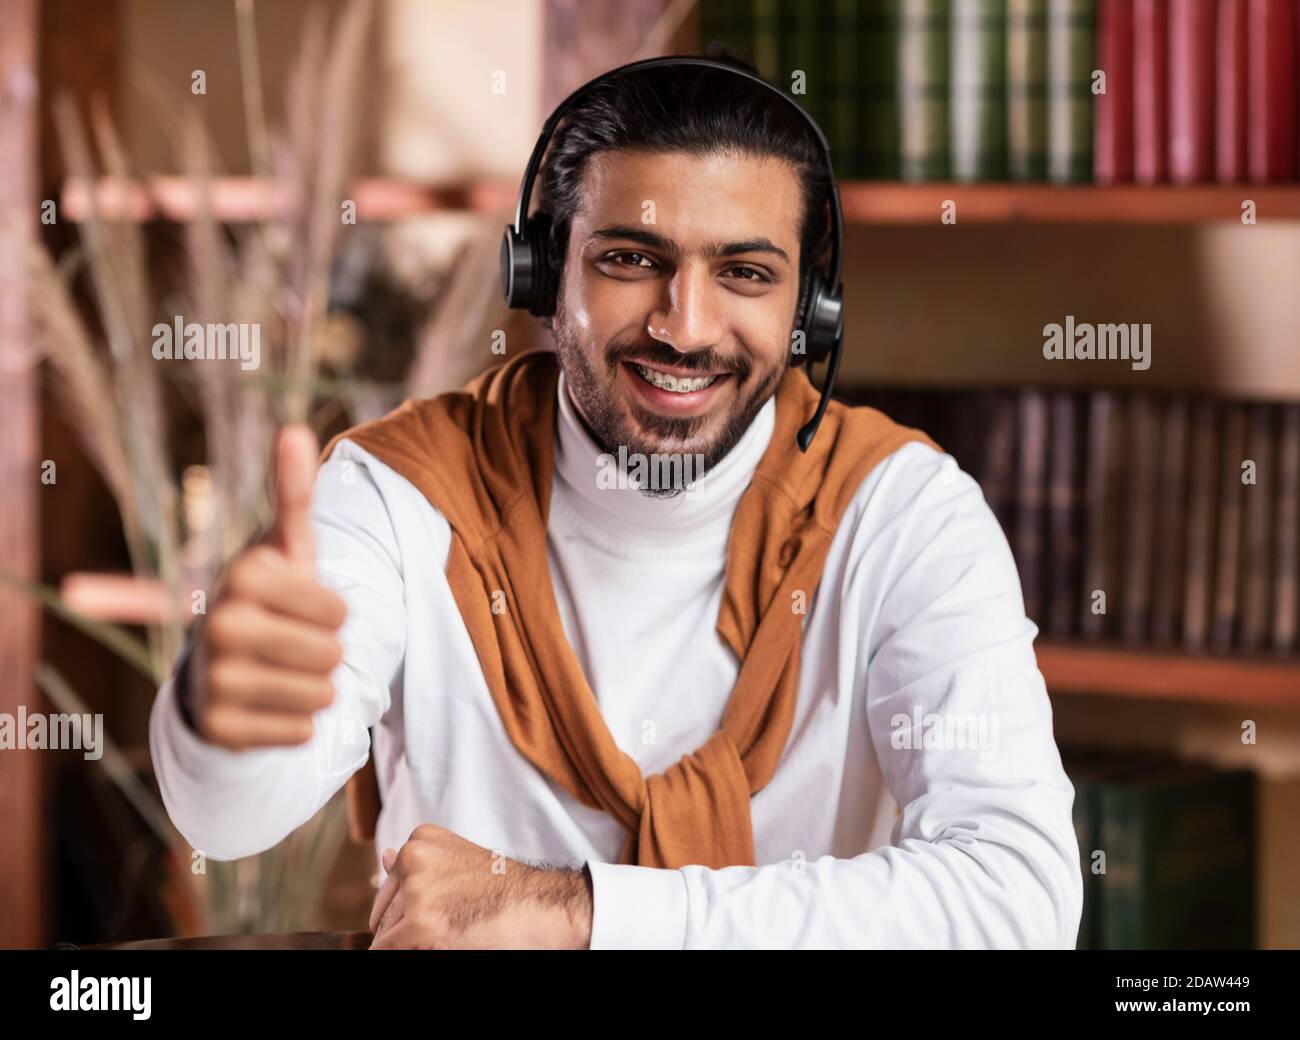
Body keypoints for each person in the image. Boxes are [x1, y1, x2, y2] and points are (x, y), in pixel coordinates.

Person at [150, 56, 1082, 950]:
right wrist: (215, 713)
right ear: (542, 276)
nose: (686, 325)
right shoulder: (395, 493)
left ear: (812, 311)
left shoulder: (904, 515)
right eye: (632, 259)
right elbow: (230, 824)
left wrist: (581, 915)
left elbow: (1021, 900)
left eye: (746, 273)